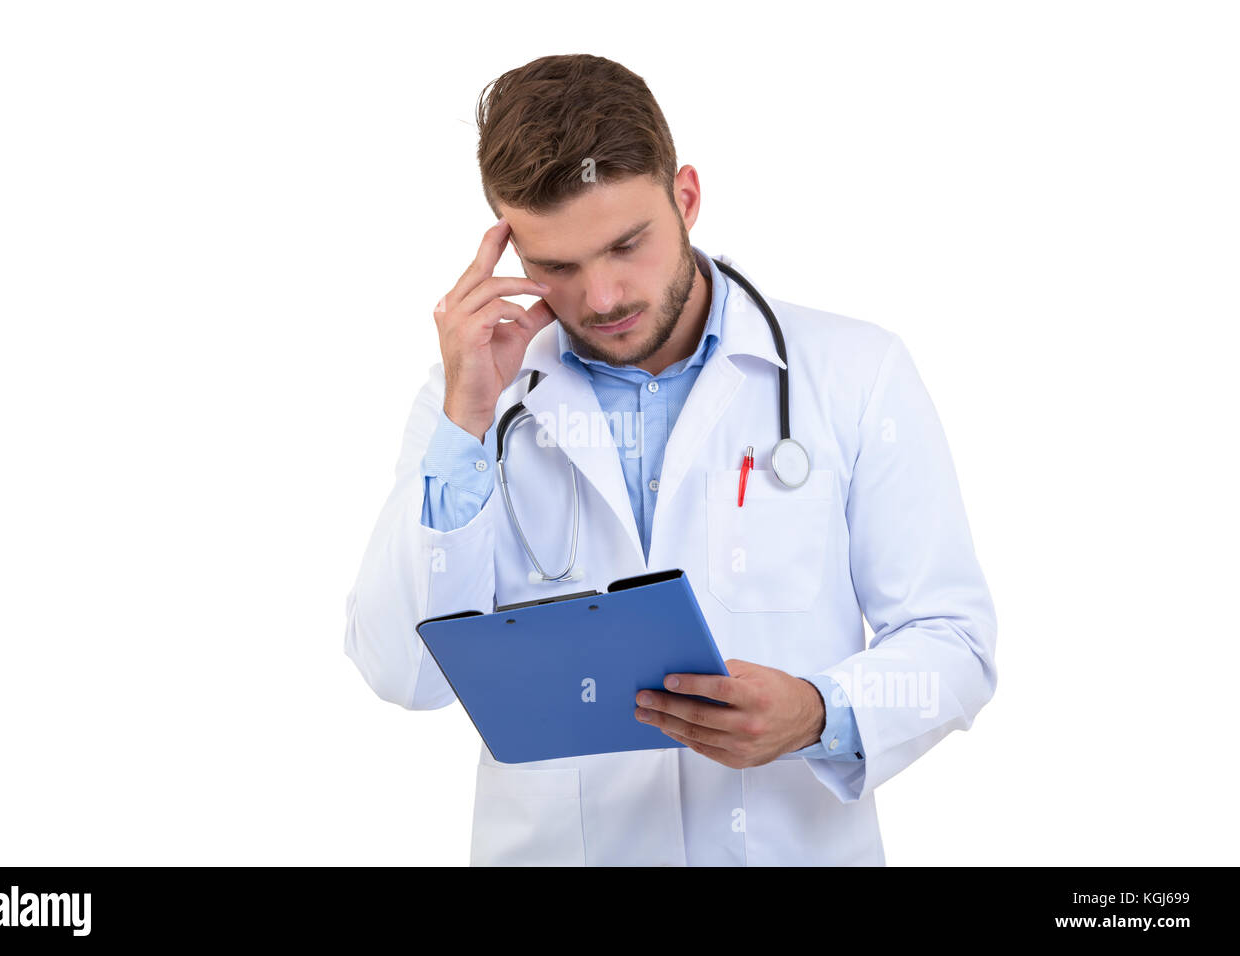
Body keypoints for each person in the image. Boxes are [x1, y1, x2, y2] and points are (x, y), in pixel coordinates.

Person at [344, 53, 998, 866]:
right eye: (556, 267)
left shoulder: (854, 374)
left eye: (626, 244)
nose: (604, 297)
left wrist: (820, 711)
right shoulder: (472, 404)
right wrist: (466, 422)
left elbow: (954, 642)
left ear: (685, 197)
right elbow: (404, 673)